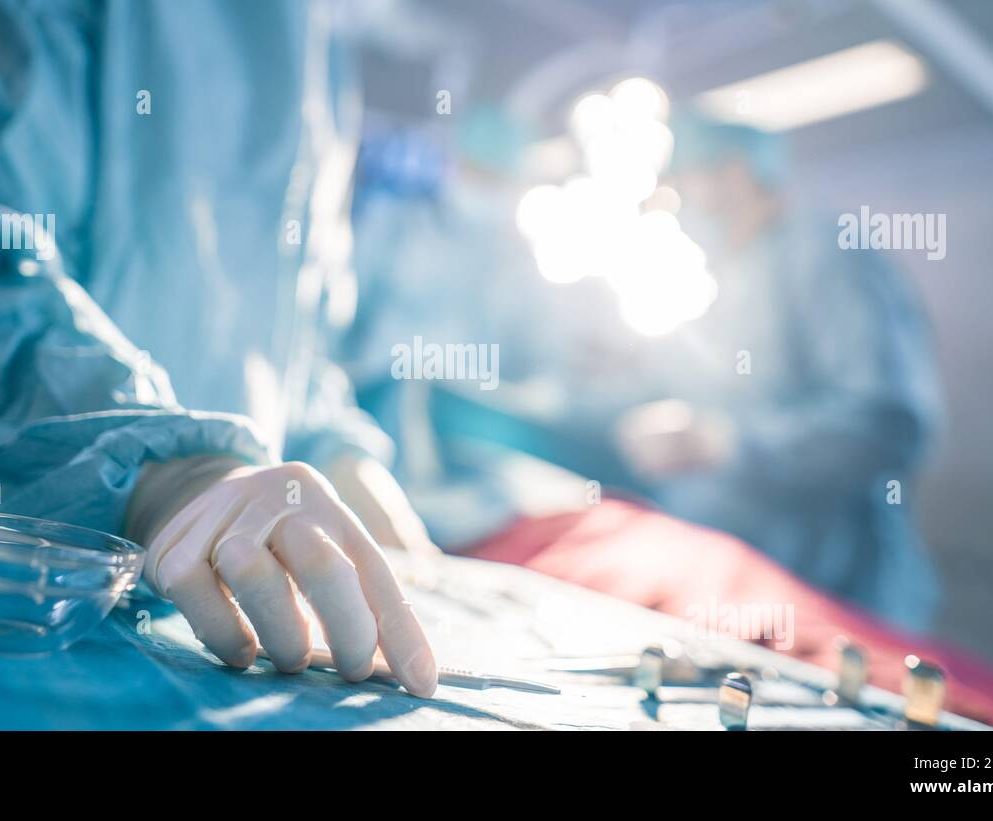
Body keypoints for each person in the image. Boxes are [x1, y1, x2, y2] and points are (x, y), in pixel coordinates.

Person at [0, 0, 437, 696]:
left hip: (186, 604)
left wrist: (332, 451)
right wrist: (159, 469)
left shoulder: (319, 41)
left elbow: (286, 331)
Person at [343, 113, 943, 630]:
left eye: (683, 187)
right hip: (728, 576)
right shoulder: (730, 271)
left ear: (733, 175)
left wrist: (730, 442)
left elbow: (890, 423)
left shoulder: (827, 255)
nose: (677, 207)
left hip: (839, 586)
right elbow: (682, 388)